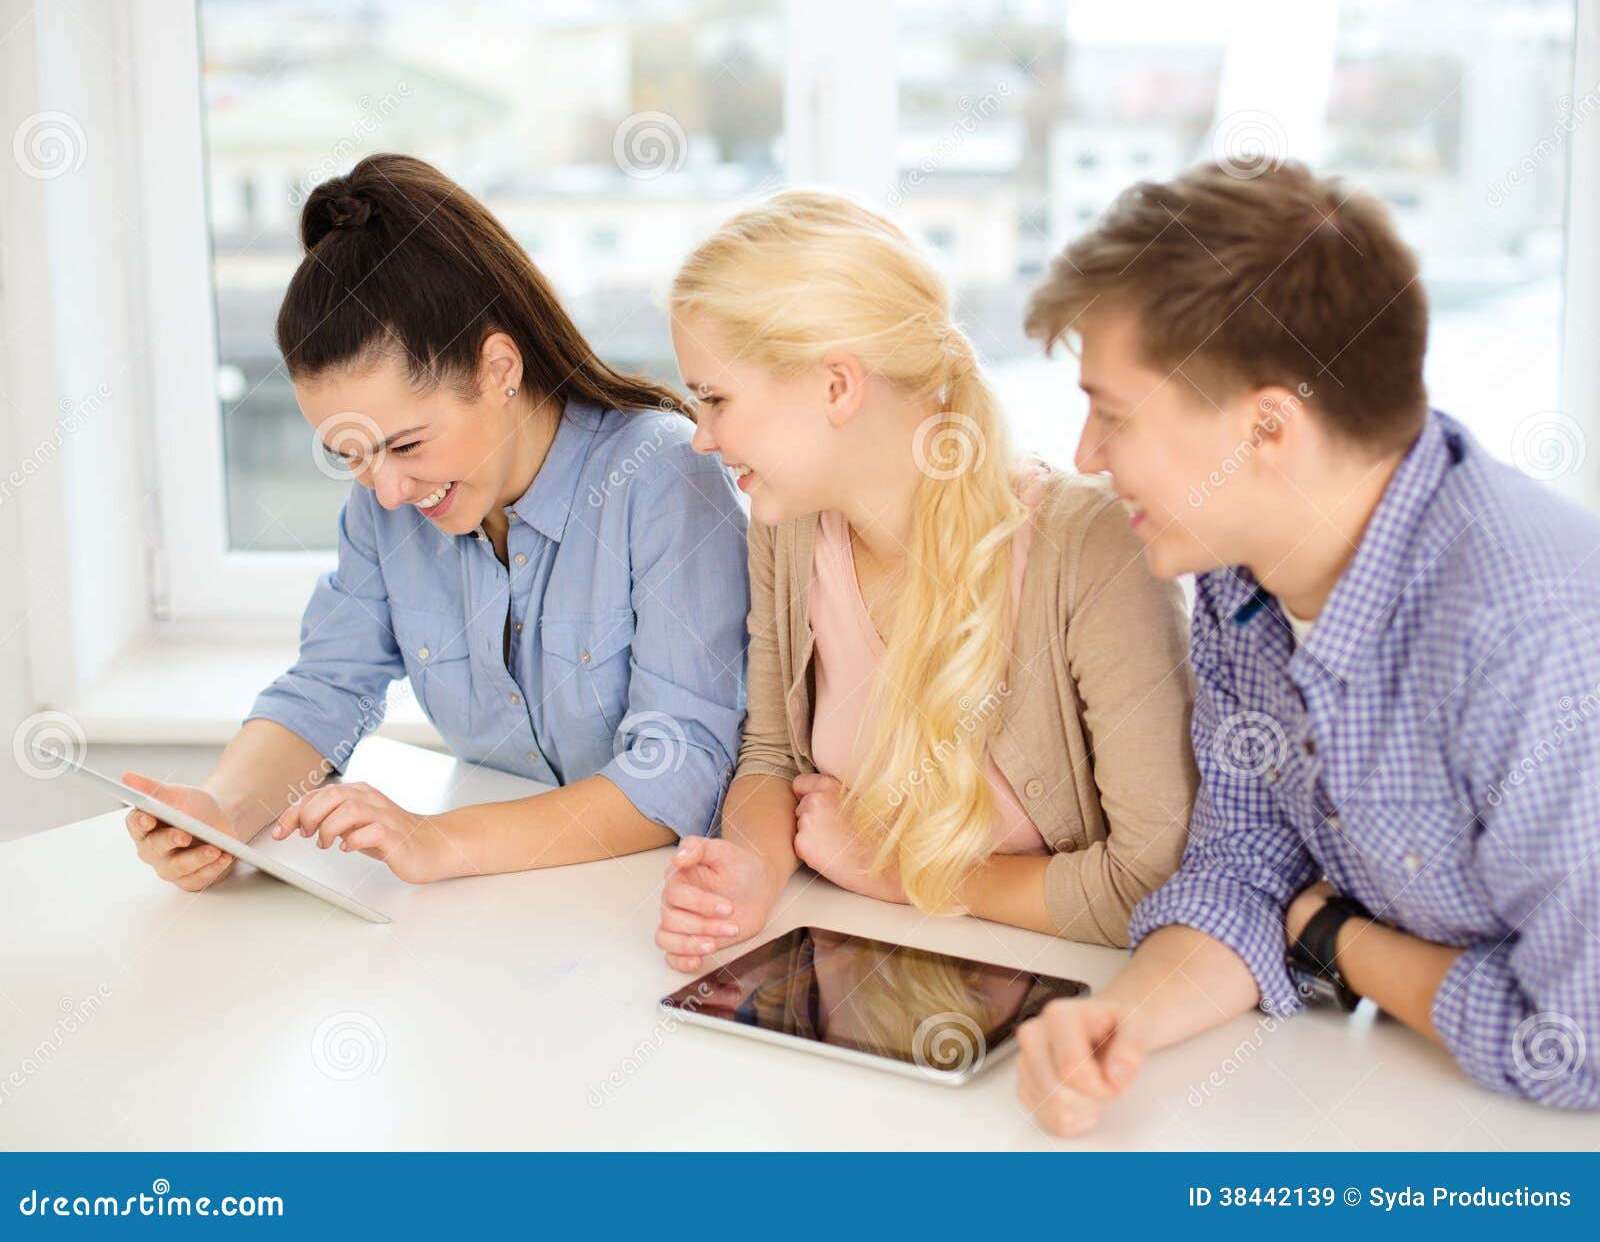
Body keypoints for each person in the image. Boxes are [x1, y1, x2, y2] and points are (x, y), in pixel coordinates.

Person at [1014, 159, 1600, 1134]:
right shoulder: (1240, 576)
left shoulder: (1531, 635)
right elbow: (1244, 864)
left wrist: (1334, 936)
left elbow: (1573, 1040)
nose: (1084, 453)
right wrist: (1124, 1017)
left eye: (1113, 413)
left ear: (1267, 427)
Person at [125, 154, 747, 889]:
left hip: (649, 904)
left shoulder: (664, 476)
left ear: (499, 369)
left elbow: (682, 769)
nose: (387, 491)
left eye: (407, 444)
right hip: (490, 910)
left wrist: (437, 840)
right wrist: (223, 812)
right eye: (349, 455)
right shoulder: (392, 499)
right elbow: (327, 686)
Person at [655, 190, 1196, 972]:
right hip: (861, 981)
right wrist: (751, 871)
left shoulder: (1090, 551)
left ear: (836, 387)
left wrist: (902, 872)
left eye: (715, 399)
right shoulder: (786, 525)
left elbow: (1153, 882)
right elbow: (771, 753)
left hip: (1048, 1003)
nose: (701, 437)